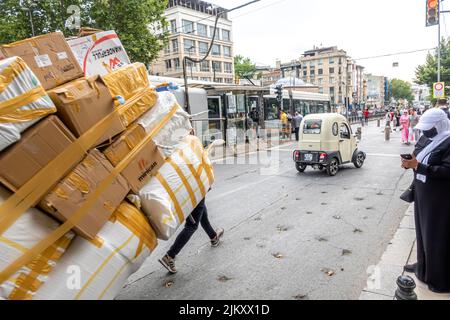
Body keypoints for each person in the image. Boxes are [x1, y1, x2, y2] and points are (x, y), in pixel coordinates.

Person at [401, 108, 450, 293]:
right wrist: (409, 163)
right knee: (422, 232)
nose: (425, 132)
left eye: (429, 128)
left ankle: (438, 276)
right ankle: (423, 267)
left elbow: (447, 171)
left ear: (439, 125)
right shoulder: (425, 138)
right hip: (423, 192)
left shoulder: (448, 140)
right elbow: (416, 155)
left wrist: (419, 167)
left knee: (436, 235)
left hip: (440, 198)